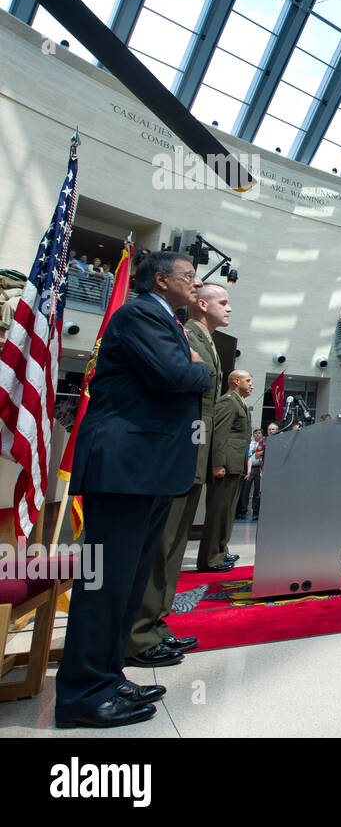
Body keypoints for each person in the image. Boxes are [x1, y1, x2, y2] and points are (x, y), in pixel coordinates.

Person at [55, 251, 211, 728]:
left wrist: (192, 362)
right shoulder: (141, 312)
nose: (196, 282)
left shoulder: (166, 319)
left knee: (126, 584)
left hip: (148, 469)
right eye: (189, 275)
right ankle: (82, 693)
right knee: (104, 585)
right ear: (161, 281)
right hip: (124, 468)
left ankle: (107, 674)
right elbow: (175, 375)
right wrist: (200, 367)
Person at [125, 281, 226, 666]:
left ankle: (156, 625)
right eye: (223, 301)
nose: (228, 308)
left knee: (176, 541)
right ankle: (140, 632)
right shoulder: (188, 336)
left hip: (196, 450)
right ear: (202, 305)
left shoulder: (209, 343)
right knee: (163, 543)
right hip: (183, 446)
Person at [198, 370, 254, 570]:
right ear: (236, 381)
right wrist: (217, 464)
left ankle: (221, 552)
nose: (251, 384)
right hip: (226, 466)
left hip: (235, 465)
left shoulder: (239, 402)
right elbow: (219, 434)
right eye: (248, 381)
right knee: (218, 512)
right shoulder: (228, 401)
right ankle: (210, 559)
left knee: (227, 513)